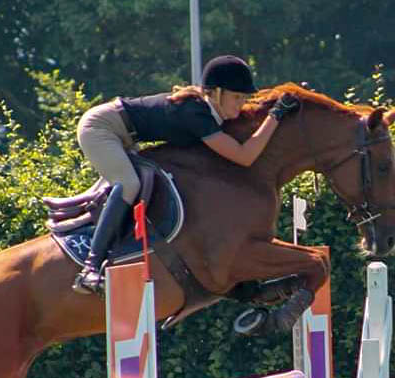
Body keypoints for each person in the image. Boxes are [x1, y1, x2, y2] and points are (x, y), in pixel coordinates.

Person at [72, 54, 301, 294]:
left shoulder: (207, 111)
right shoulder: (196, 113)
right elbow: (245, 156)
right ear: (217, 93)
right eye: (236, 97)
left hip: (125, 133)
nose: (240, 105)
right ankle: (90, 269)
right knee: (129, 184)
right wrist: (275, 116)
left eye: (244, 98)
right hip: (101, 128)